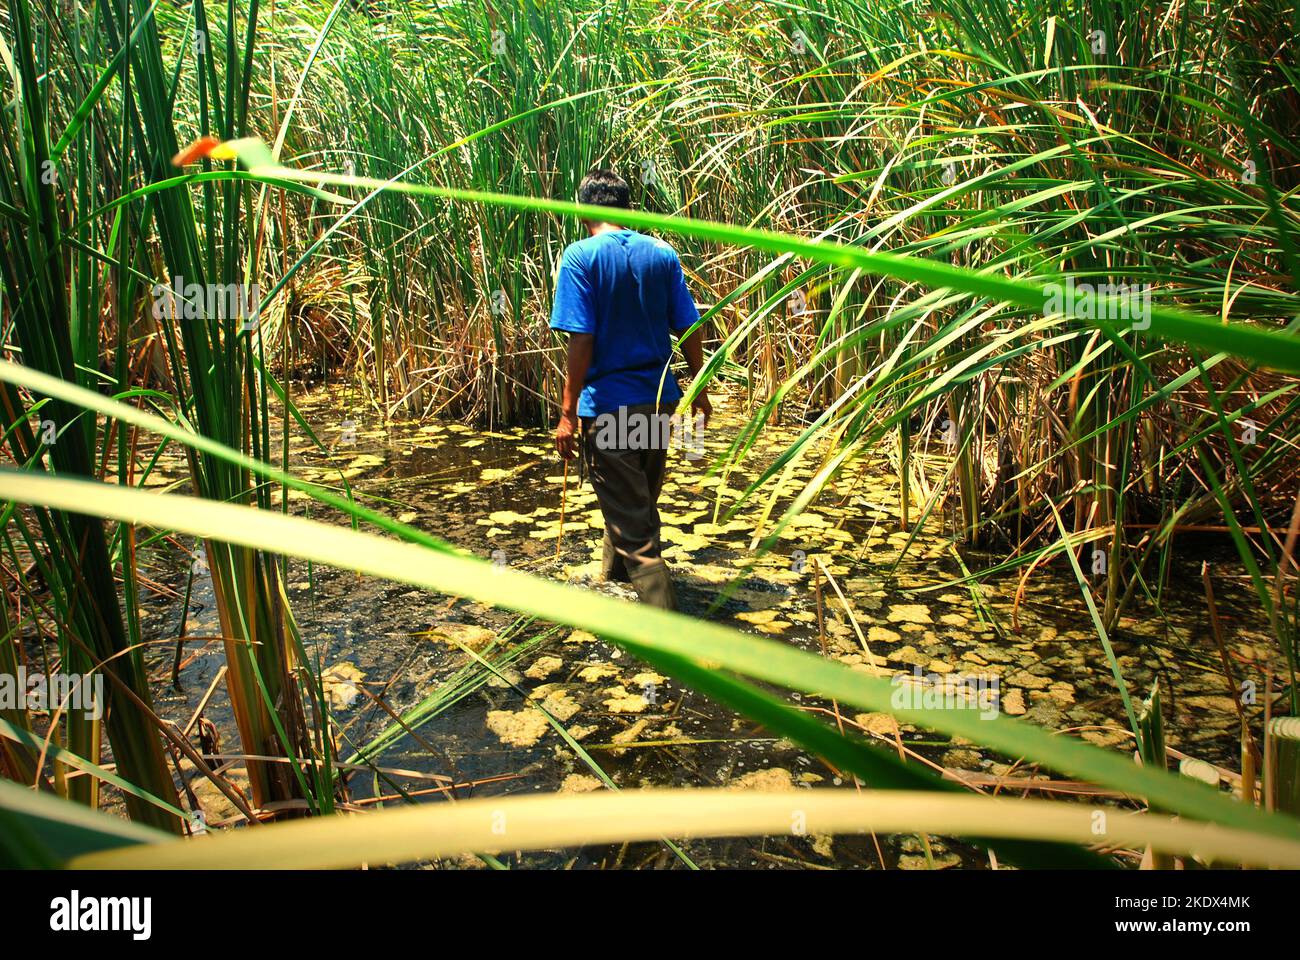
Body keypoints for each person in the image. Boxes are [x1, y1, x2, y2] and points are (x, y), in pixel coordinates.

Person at [550, 168, 711, 610]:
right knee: (633, 504)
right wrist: (698, 387)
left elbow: (581, 338)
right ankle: (612, 583)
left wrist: (567, 413)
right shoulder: (661, 253)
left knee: (636, 527)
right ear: (627, 208)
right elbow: (689, 324)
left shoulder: (580, 257)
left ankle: (673, 639)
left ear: (582, 209)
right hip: (656, 407)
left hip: (609, 410)